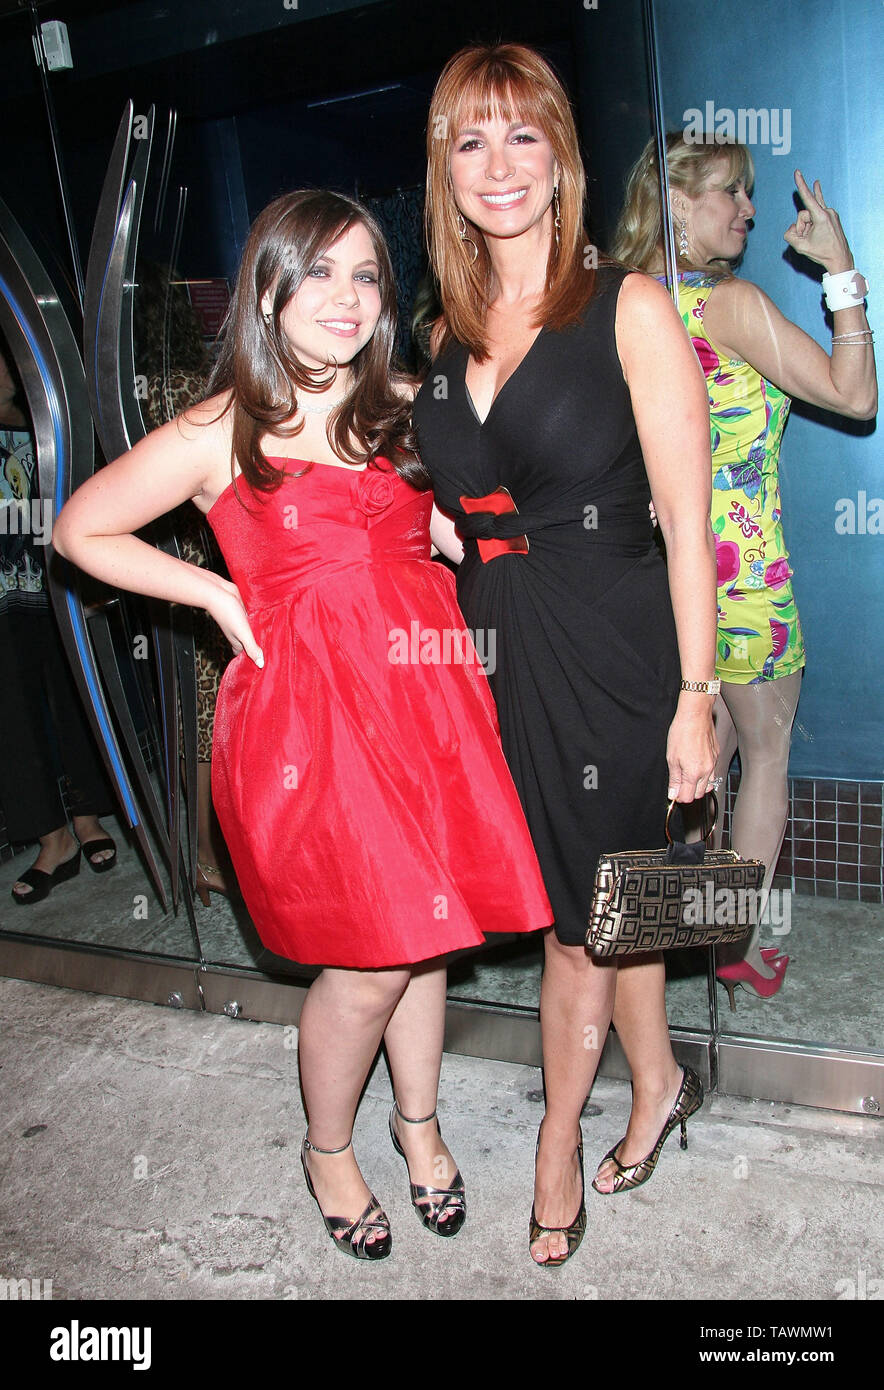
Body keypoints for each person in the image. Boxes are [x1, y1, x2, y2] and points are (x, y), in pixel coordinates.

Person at [53, 189, 552, 1260]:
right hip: (313, 721)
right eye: (317, 272)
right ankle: (328, 1147)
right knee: (370, 958)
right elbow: (81, 526)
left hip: (428, 694)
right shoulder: (221, 422)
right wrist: (215, 597)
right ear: (267, 290)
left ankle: (417, 1128)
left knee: (428, 939)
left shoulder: (408, 406)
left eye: (365, 274)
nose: (345, 295)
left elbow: (453, 530)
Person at [412, 43, 718, 1266]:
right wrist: (450, 525)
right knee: (611, 895)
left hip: (610, 643)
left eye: (521, 135)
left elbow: (688, 522)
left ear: (561, 157)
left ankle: (555, 1144)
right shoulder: (442, 327)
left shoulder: (627, 304)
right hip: (492, 649)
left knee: (579, 916)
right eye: (469, 140)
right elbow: (467, 487)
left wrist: (695, 699)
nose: (498, 165)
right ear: (444, 165)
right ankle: (658, 1084)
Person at [614, 133, 876, 1007]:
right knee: (764, 759)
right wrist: (841, 271)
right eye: (732, 191)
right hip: (742, 575)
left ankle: (648, 948)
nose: (751, 210)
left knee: (701, 755)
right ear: (678, 203)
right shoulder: (725, 303)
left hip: (664, 575)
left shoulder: (630, 303)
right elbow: (854, 394)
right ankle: (726, 946)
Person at [133, 260, 236, 905]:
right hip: (209, 564)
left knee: (189, 721)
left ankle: (195, 851)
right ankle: (206, 855)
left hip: (154, 566)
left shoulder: (130, 392)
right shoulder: (200, 390)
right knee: (207, 720)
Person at [0, 338, 117, 902]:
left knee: (73, 696)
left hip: (54, 577)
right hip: (2, 589)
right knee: (12, 716)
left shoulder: (50, 411)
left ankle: (90, 817)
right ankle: (53, 838)